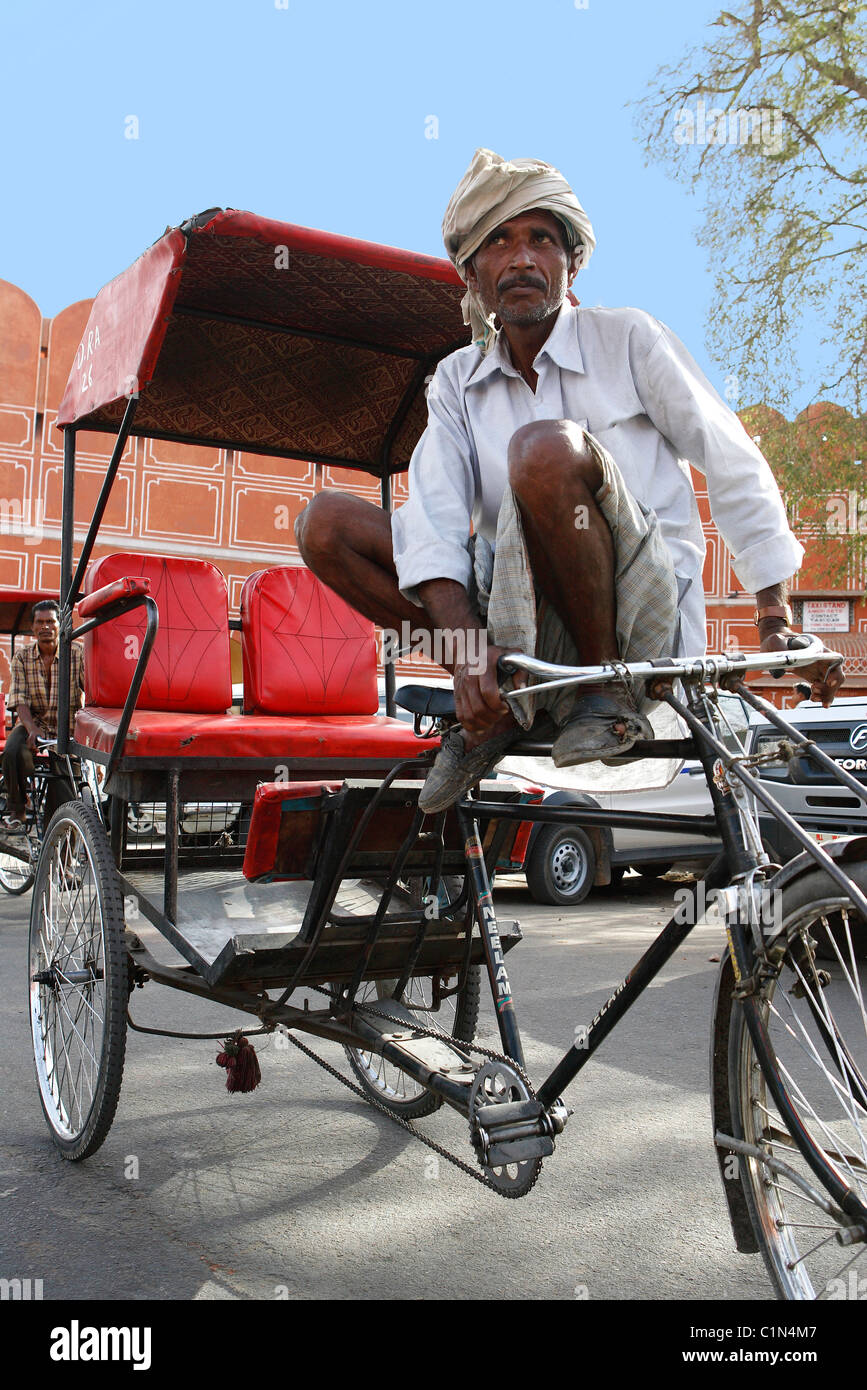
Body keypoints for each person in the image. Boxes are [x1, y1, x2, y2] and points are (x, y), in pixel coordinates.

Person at [296, 147, 842, 813]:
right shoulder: (456, 382)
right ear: (472, 273)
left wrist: (771, 616)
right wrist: (468, 656)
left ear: (571, 263)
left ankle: (605, 693)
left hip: (639, 618)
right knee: (325, 525)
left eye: (540, 240)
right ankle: (496, 705)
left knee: (541, 449)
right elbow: (433, 518)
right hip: (521, 624)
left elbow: (729, 458)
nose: (521, 258)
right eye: (498, 241)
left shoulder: (628, 339)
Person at [2, 600, 84, 829]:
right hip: (33, 723)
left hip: (67, 727)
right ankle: (18, 808)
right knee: (12, 752)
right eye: (40, 622)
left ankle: (54, 833)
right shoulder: (22, 657)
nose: (45, 626)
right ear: (33, 627)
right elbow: (19, 699)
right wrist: (31, 728)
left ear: (60, 625)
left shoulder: (77, 653)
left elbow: (93, 692)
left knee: (64, 784)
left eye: (51, 621)